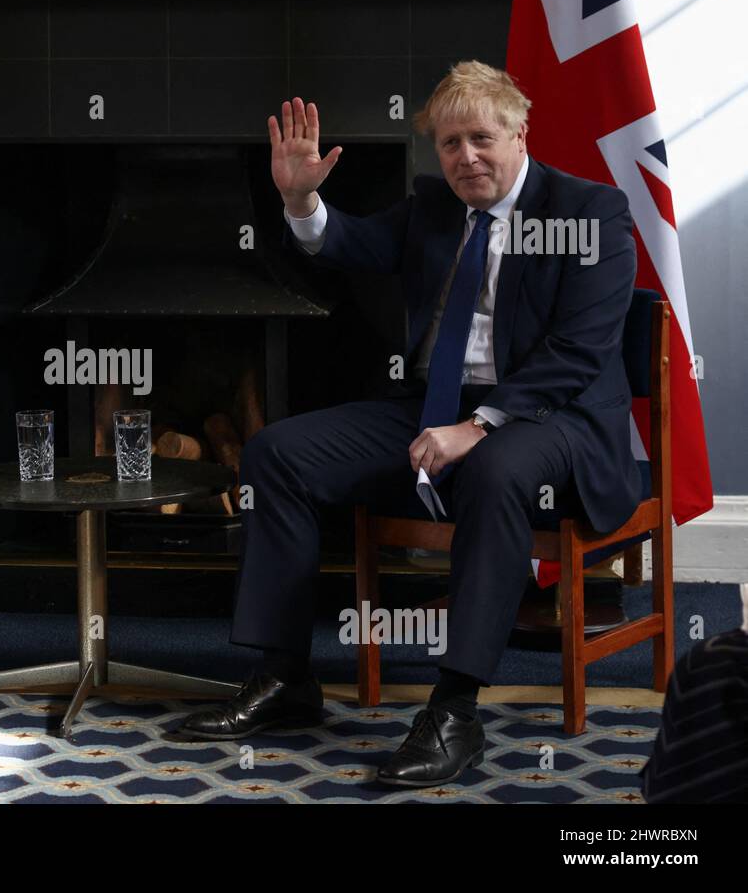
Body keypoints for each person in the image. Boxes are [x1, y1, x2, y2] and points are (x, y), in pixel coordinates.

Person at [171, 61, 641, 788]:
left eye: (481, 138)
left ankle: (454, 711)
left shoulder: (590, 212)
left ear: (520, 132)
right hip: (434, 408)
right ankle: (284, 676)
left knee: (494, 466)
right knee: (276, 453)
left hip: (558, 417)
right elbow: (350, 243)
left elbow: (579, 352)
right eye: (449, 144)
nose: (465, 158)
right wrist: (301, 201)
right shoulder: (434, 206)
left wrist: (479, 424)